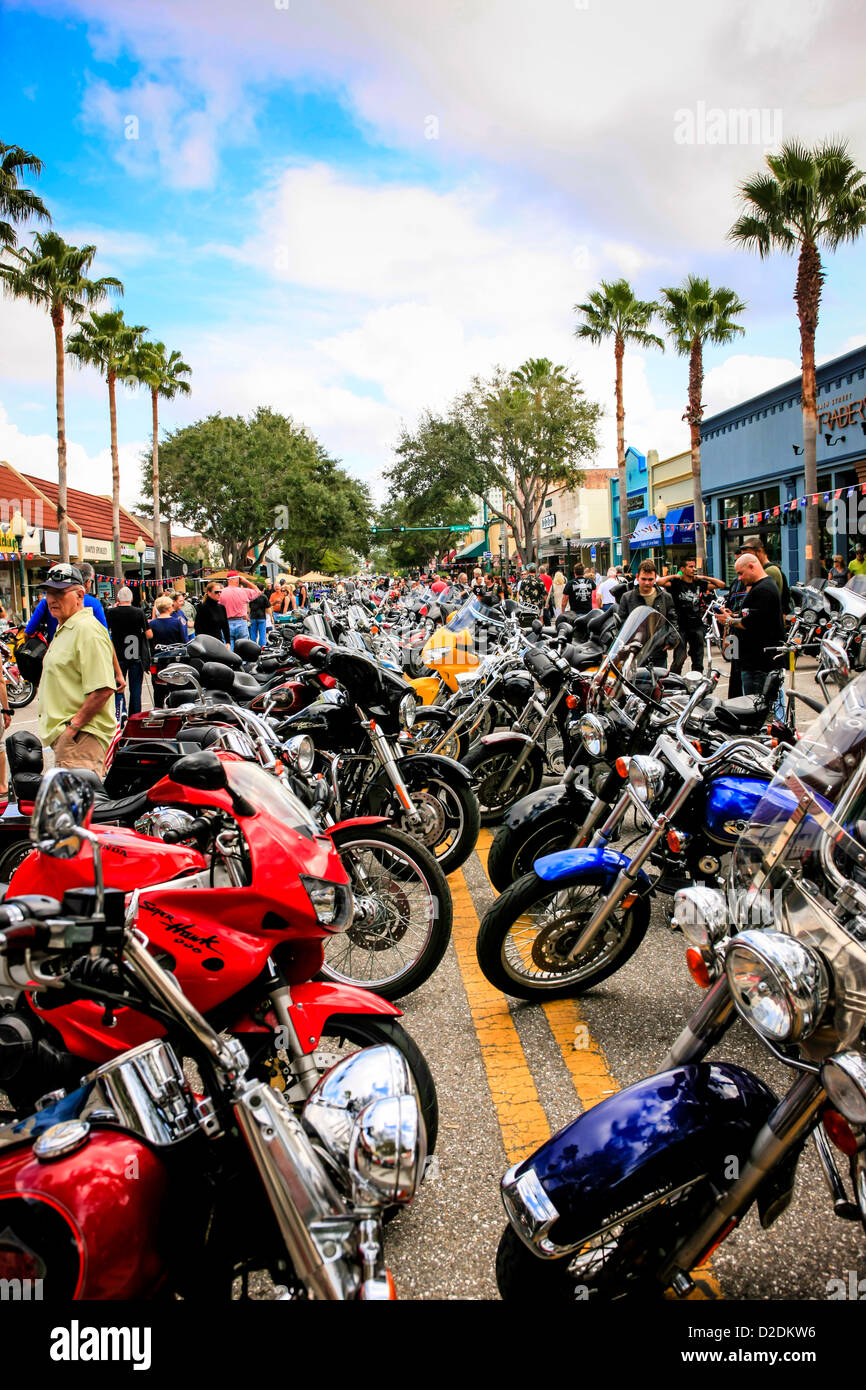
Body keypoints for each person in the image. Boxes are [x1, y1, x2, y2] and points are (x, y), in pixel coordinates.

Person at [37, 563, 116, 776]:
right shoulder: (67, 626)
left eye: (60, 593)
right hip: (73, 738)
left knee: (78, 808)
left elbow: (104, 688)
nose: (52, 599)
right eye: (48, 593)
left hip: (81, 738)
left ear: (80, 594)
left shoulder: (86, 629)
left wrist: (72, 729)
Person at [717, 551, 785, 715]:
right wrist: (734, 616)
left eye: (740, 573)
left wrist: (728, 621)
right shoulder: (762, 588)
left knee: (756, 710)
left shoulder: (764, 590)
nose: (739, 578)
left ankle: (762, 738)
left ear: (752, 566)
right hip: (754, 662)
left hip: (757, 663)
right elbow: (754, 616)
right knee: (759, 706)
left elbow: (752, 622)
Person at [657, 557, 726, 674]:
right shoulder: (676, 583)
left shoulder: (698, 583)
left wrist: (703, 577)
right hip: (680, 626)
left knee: (698, 658)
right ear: (682, 569)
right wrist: (674, 576)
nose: (693, 569)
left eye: (694, 566)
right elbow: (659, 582)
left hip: (697, 625)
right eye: (690, 567)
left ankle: (697, 679)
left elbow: (721, 585)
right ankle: (673, 679)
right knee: (680, 657)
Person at [106, 587, 151, 719]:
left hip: (118, 654)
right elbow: (148, 634)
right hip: (135, 653)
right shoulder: (139, 612)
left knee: (119, 685)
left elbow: (105, 631)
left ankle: (121, 710)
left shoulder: (111, 612)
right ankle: (135, 715)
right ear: (131, 598)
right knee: (136, 688)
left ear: (118, 599)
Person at [738, 535, 790, 612]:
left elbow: (758, 602)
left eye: (748, 555)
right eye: (743, 555)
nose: (745, 558)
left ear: (759, 551)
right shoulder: (764, 570)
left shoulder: (770, 571)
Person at [219, 570, 259, 648]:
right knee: (243, 648)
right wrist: (245, 581)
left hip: (226, 623)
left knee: (228, 647)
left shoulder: (221, 593)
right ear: (237, 580)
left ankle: (231, 660)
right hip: (241, 621)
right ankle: (243, 660)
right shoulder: (244, 591)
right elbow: (258, 591)